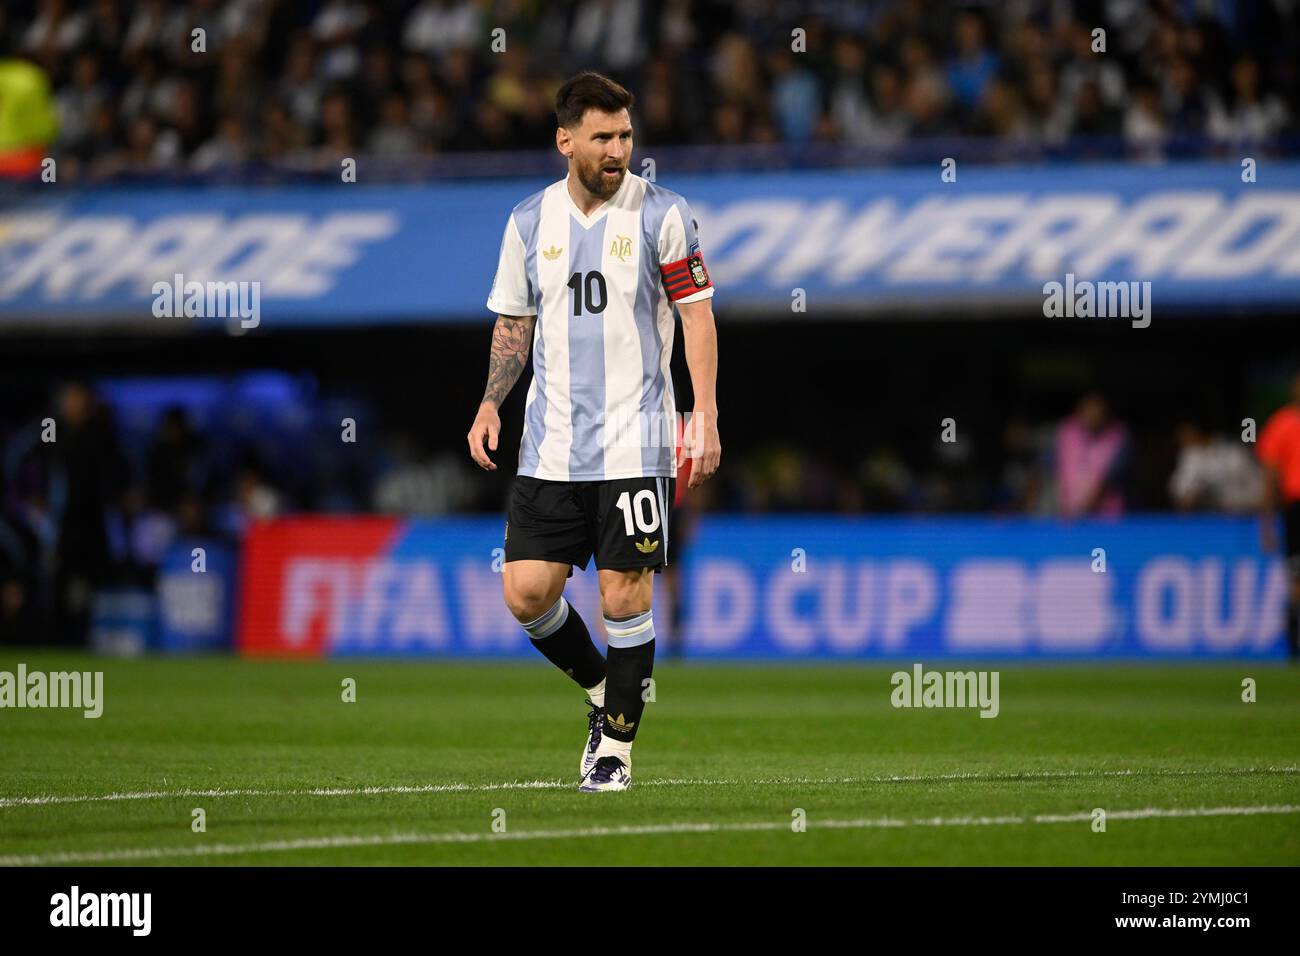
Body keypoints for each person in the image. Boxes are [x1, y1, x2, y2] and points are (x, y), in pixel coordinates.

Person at [466, 72, 721, 791]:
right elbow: (514, 323)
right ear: (565, 140)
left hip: (637, 440)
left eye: (626, 136)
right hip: (550, 445)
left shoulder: (663, 215)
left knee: (624, 595)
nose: (619, 150)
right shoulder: (526, 223)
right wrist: (491, 403)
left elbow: (697, 315)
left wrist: (702, 415)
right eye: (604, 137)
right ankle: (606, 691)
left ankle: (615, 751)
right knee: (525, 593)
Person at [1257, 370, 1300, 660]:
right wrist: (1267, 521)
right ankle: (1295, 643)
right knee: (1296, 576)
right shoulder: (1282, 424)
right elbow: (1271, 475)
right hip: (1296, 508)